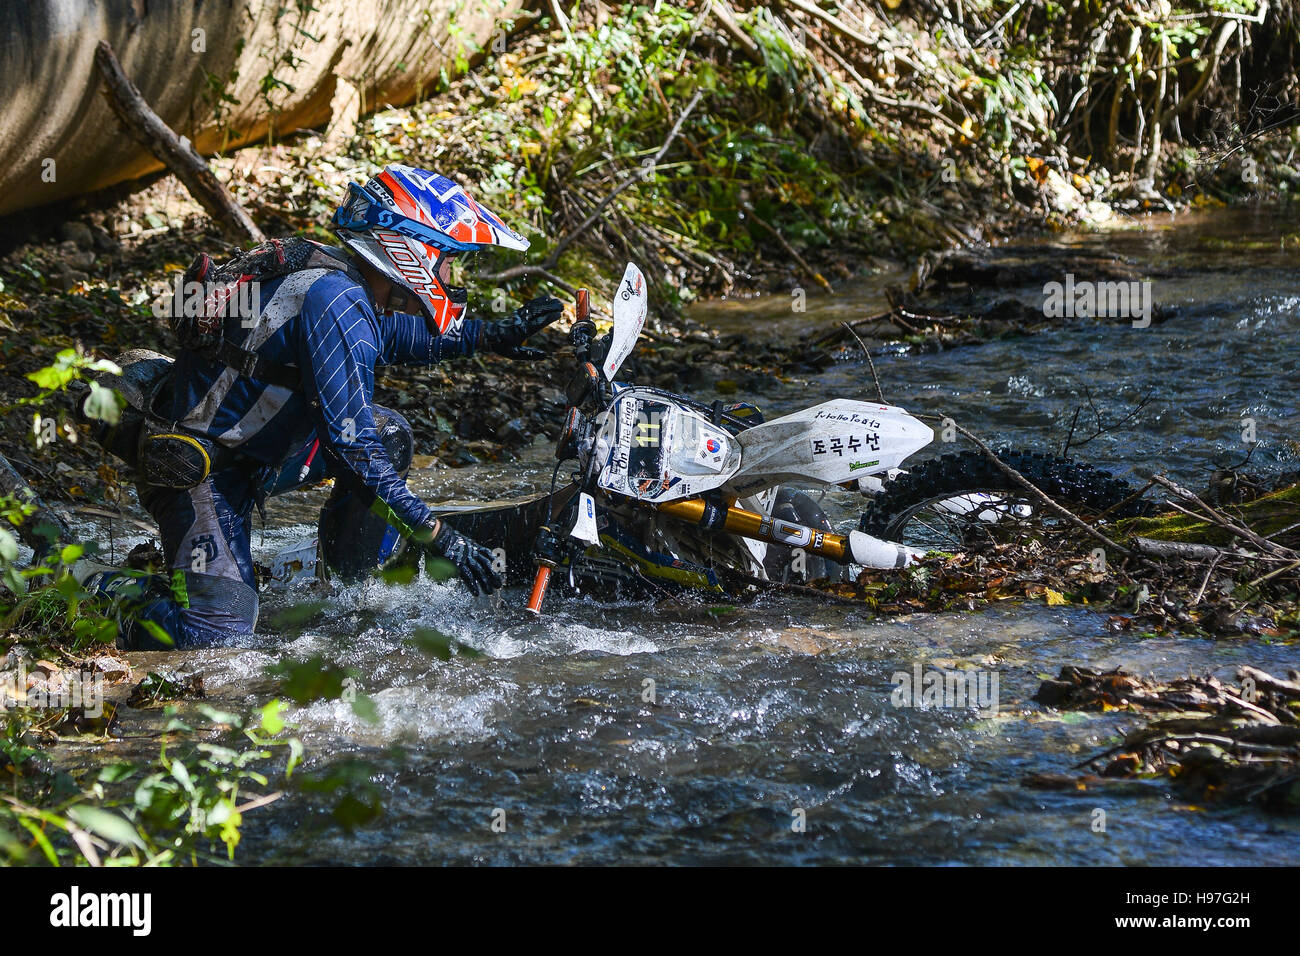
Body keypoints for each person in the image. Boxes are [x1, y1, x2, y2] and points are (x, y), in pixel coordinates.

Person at [80, 164, 563, 649]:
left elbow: (387, 337)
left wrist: (492, 335)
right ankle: (97, 588)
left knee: (389, 433)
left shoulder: (342, 284)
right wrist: (438, 534)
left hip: (254, 455)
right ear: (410, 250)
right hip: (201, 469)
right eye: (446, 261)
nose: (449, 275)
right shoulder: (336, 299)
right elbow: (352, 446)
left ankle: (353, 591)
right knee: (217, 631)